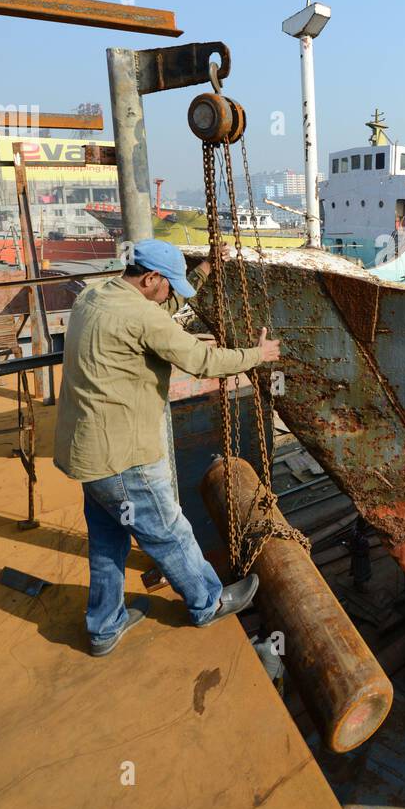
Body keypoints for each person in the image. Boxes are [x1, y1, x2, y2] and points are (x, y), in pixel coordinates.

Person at [54, 239, 279, 656]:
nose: (168, 292)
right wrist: (257, 354)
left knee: (108, 542)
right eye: (167, 284)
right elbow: (203, 361)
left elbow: (157, 311)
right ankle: (207, 601)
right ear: (150, 278)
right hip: (124, 456)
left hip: (87, 454)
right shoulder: (143, 319)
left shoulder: (95, 295)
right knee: (169, 532)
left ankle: (104, 627)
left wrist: (206, 269)